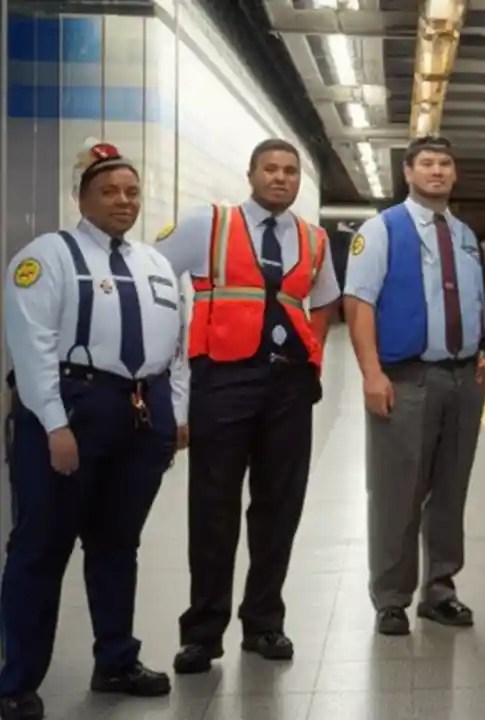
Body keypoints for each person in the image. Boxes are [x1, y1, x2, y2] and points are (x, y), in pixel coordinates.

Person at [0, 141, 188, 720]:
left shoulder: (154, 263)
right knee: (41, 547)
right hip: (72, 412)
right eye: (109, 191)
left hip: (141, 415)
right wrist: (53, 425)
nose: (123, 201)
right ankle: (17, 681)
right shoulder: (46, 256)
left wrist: (174, 414)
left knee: (117, 545)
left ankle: (115, 660)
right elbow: (31, 348)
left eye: (131, 191)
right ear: (81, 197)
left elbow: (178, 347)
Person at [157, 138, 340, 673]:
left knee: (279, 506)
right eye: (271, 169)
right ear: (251, 174)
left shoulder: (314, 238)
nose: (281, 178)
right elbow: (154, 278)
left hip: (288, 386)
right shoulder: (207, 224)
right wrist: (171, 372)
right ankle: (202, 632)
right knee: (212, 507)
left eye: (290, 171)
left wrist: (314, 350)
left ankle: (264, 622)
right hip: (223, 379)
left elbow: (325, 300)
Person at [343, 134, 485, 636]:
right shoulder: (381, 230)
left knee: (450, 489)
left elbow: (471, 298)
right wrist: (371, 374)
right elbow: (359, 303)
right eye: (426, 163)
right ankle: (391, 597)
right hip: (405, 378)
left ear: (454, 173)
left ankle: (441, 590)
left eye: (445, 163)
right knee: (397, 490)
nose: (437, 171)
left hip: (461, 379)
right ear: (407, 173)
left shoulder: (466, 234)